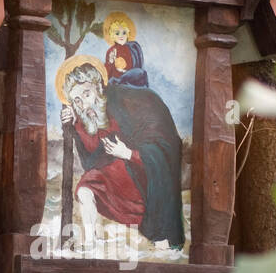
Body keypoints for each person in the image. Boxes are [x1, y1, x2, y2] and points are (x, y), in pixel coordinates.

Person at [58, 56, 184, 253]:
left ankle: (165, 241)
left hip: (139, 178)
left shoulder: (125, 104)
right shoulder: (85, 119)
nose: (84, 104)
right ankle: (91, 243)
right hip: (111, 176)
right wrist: (75, 126)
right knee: (84, 189)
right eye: (77, 100)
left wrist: (128, 153)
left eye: (87, 94)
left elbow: (158, 147)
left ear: (99, 88)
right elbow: (90, 162)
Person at [102, 12, 149, 87]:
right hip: (117, 82)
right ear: (112, 35)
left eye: (124, 32)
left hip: (131, 79)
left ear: (127, 33)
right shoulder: (111, 51)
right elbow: (107, 74)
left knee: (140, 72)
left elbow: (138, 69)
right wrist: (110, 62)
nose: (121, 36)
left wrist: (125, 72)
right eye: (117, 33)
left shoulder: (133, 47)